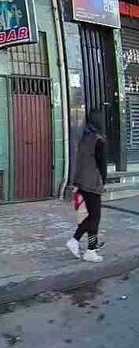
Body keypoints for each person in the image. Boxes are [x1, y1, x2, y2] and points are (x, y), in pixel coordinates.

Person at [68, 110, 107, 262]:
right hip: (92, 183)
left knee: (91, 215)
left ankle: (82, 244)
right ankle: (88, 249)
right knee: (95, 217)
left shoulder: (85, 137)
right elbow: (102, 166)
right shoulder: (99, 140)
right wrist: (102, 182)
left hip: (82, 181)